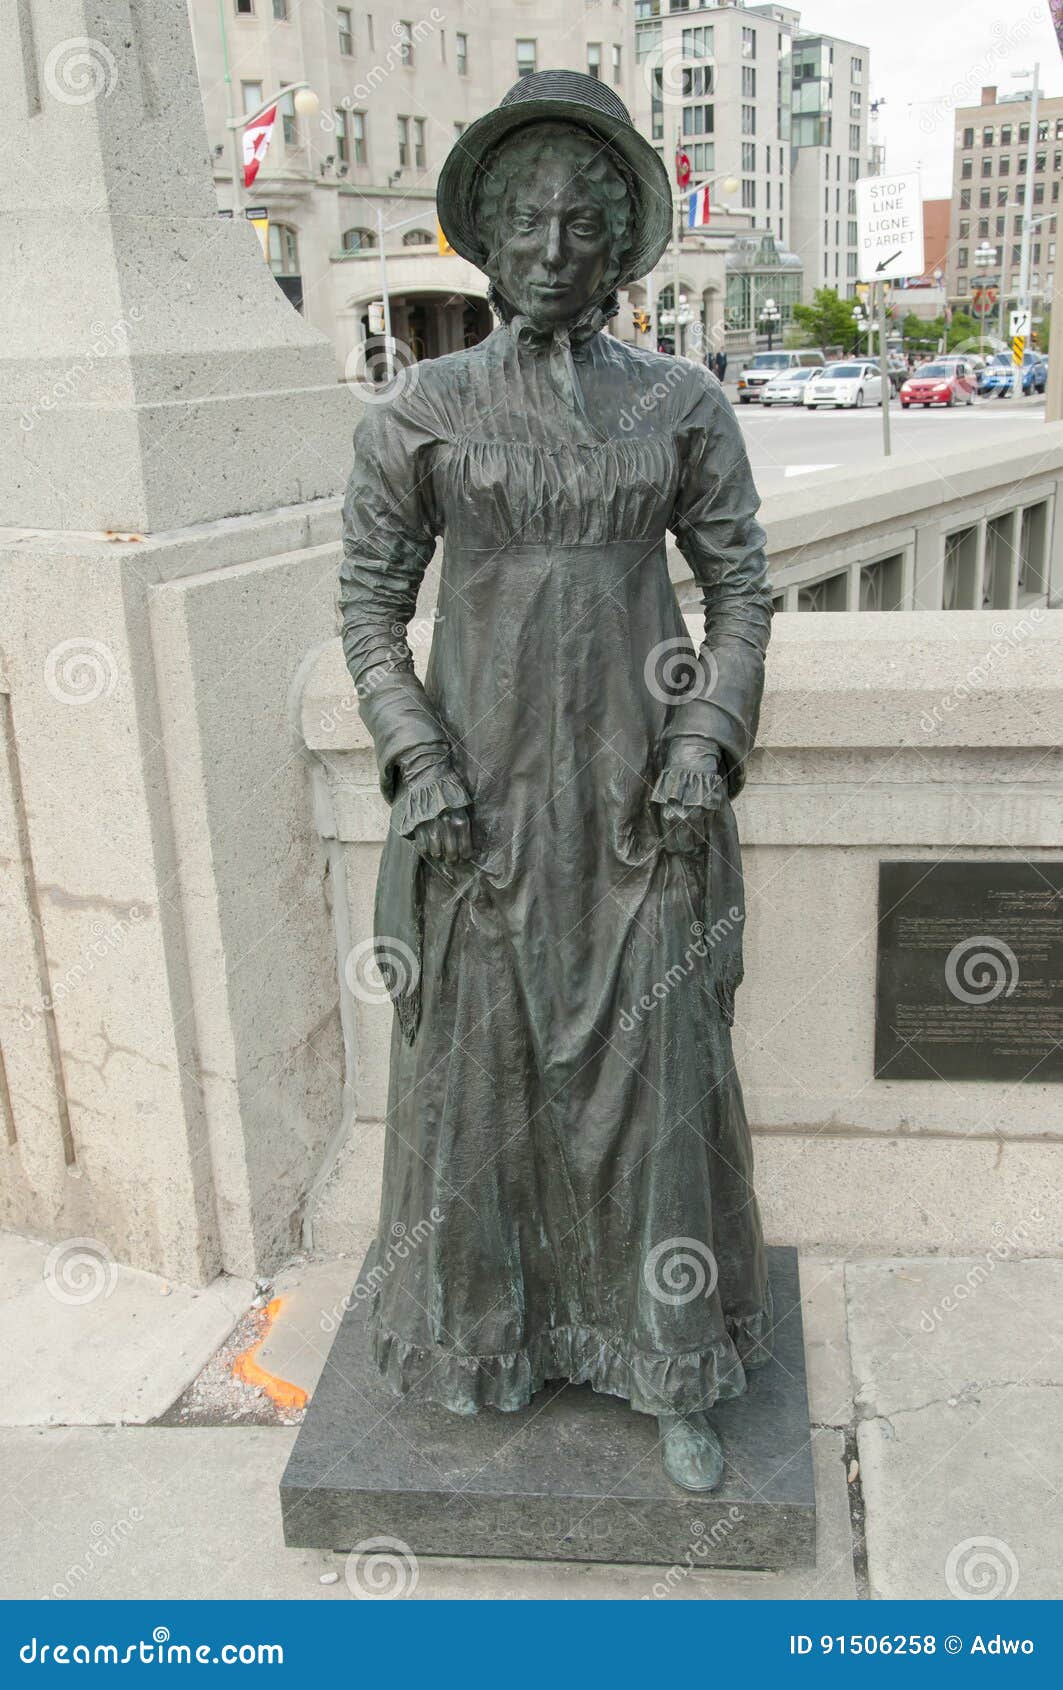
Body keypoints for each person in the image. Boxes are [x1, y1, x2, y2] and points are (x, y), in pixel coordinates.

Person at [339, 71, 773, 1494]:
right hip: (482, 804)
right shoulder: (421, 409)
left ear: (618, 241)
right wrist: (416, 756)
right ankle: (493, 1339)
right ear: (487, 238)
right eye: (523, 219)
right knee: (484, 1085)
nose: (547, 244)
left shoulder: (683, 401)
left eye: (579, 221)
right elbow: (366, 602)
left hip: (642, 809)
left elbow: (744, 590)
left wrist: (705, 741)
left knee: (656, 1091)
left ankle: (669, 1366)